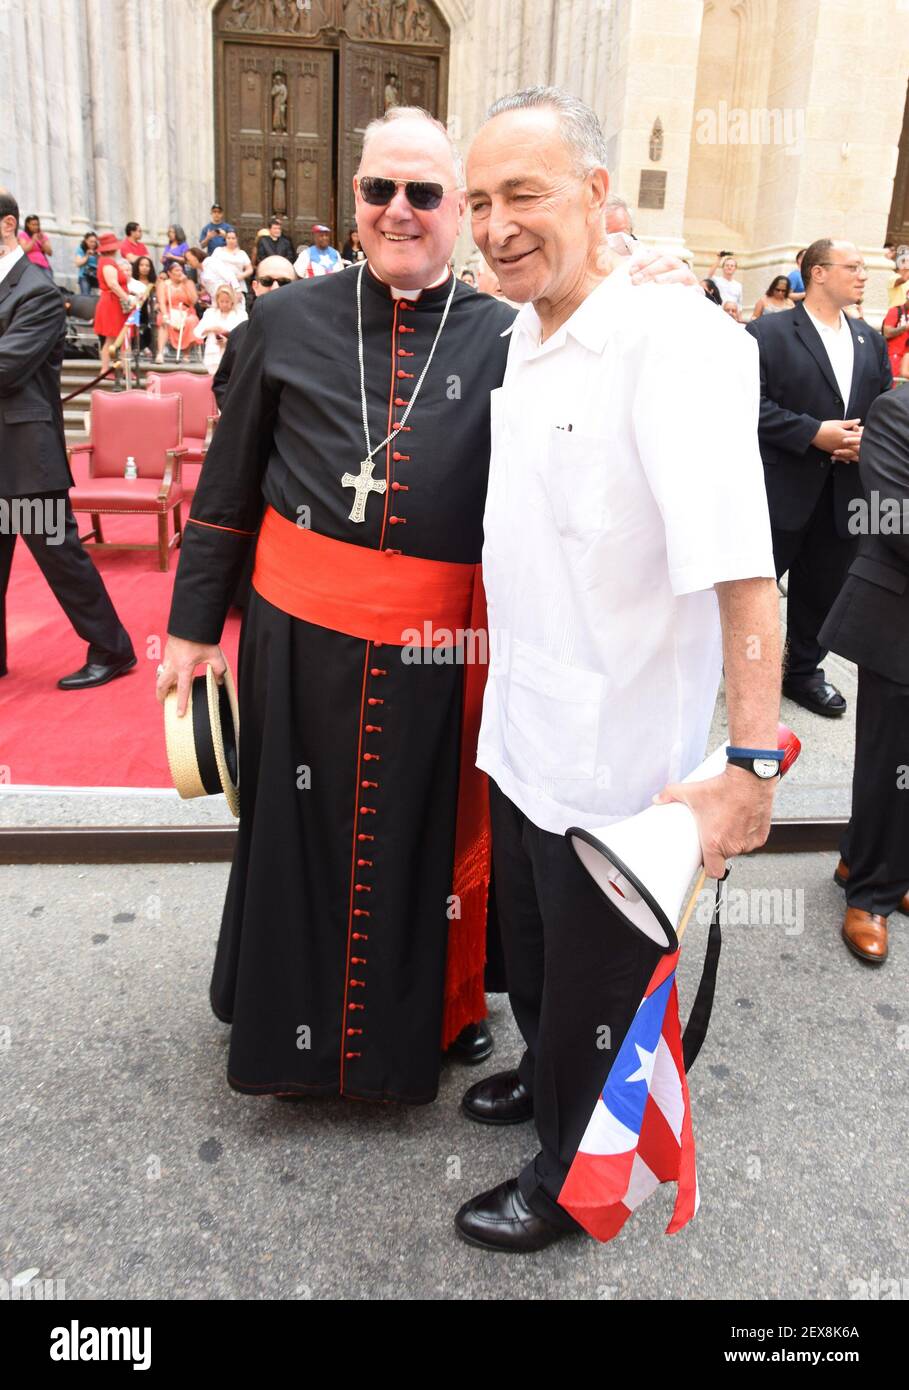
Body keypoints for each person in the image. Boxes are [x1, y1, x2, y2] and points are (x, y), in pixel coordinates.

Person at [155, 106, 695, 1106]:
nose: (399, 210)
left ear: (460, 211)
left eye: (426, 193)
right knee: (296, 834)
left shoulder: (514, 334)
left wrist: (652, 290)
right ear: (353, 200)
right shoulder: (283, 322)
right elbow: (228, 494)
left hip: (441, 654)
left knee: (421, 841)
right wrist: (193, 631)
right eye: (377, 190)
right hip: (299, 639)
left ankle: (422, 1023)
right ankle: (289, 1035)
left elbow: (612, 396)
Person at [455, 87, 781, 1254]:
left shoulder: (674, 342)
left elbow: (747, 579)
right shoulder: (520, 334)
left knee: (601, 994)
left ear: (600, 195)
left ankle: (567, 1179)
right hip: (531, 733)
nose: (492, 225)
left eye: (523, 195)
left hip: (625, 767)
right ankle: (548, 1084)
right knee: (538, 965)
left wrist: (748, 766)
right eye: (479, 201)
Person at [745, 239, 891, 718]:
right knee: (754, 585)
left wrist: (867, 439)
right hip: (779, 487)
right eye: (853, 266)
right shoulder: (767, 332)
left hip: (844, 491)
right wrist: (813, 434)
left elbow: (884, 407)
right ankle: (740, 663)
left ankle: (802, 671)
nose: (864, 274)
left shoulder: (869, 339)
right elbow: (746, 404)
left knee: (823, 589)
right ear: (819, 273)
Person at [0, 189, 135, 690]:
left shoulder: (34, 291)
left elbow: (8, 367)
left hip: (24, 460)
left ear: (7, 225)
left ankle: (113, 648)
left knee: (61, 558)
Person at [820, 387, 909, 963]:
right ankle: (870, 892)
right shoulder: (897, 411)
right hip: (897, 619)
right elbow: (894, 518)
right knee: (891, 760)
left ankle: (864, 855)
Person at [211, 254, 296, 409]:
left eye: (284, 282)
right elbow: (222, 382)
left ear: (296, 287)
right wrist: (240, 414)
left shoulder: (311, 335)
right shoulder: (239, 333)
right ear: (255, 286)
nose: (275, 288)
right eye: (267, 281)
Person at [93, 231, 132, 373]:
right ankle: (107, 369)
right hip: (112, 302)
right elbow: (113, 284)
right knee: (114, 337)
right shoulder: (108, 263)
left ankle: (113, 368)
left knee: (116, 338)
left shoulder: (106, 262)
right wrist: (128, 298)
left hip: (113, 301)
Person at [193, 282, 247, 375]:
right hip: (213, 352)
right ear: (217, 300)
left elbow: (245, 335)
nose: (224, 304)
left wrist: (228, 338)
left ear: (232, 300)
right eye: (222, 301)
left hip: (232, 353)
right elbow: (197, 332)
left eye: (227, 301)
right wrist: (211, 329)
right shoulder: (210, 313)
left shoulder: (241, 314)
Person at [155, 259, 199, 362]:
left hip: (186, 311)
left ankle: (186, 355)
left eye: (181, 270)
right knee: (163, 320)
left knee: (191, 321)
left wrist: (186, 283)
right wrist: (165, 314)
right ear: (169, 273)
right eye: (176, 270)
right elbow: (161, 301)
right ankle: (160, 353)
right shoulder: (164, 284)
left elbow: (194, 300)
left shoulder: (188, 283)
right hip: (169, 310)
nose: (180, 273)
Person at [205, 229, 254, 297]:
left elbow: (250, 269)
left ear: (237, 239)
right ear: (225, 239)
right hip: (221, 284)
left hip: (238, 283)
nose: (231, 240)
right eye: (228, 238)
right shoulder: (218, 250)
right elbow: (211, 265)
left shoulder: (242, 253)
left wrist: (242, 276)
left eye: (233, 238)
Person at [129, 255, 157, 358]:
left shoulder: (154, 283)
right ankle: (143, 347)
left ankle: (145, 347)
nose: (144, 268)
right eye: (142, 265)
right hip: (135, 309)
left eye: (147, 265)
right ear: (137, 266)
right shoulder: (132, 281)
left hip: (150, 310)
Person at [881, 295, 909, 381]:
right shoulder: (896, 311)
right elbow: (887, 332)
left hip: (906, 355)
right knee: (894, 383)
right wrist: (905, 327)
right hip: (895, 354)